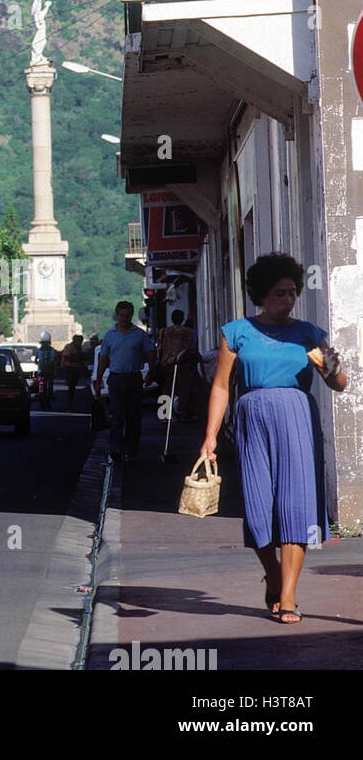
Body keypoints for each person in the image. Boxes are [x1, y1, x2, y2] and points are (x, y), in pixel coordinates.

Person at [201, 253, 347, 625]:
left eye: (293, 292)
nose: (288, 300)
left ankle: (288, 595)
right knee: (257, 508)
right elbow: (221, 387)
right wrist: (210, 437)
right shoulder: (236, 332)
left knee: (295, 507)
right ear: (262, 295)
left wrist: (331, 367)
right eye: (280, 293)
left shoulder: (310, 333)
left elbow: (339, 384)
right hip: (252, 420)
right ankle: (273, 573)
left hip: (297, 419)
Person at [93, 301, 157, 463]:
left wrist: (151, 372)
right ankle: (115, 449)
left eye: (127, 315)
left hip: (134, 379)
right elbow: (103, 359)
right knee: (117, 415)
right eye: (122, 315)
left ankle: (130, 450)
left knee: (133, 416)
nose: (124, 319)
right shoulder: (109, 335)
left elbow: (150, 353)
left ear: (131, 315)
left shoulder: (140, 335)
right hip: (116, 379)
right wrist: (98, 380)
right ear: (117, 316)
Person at [156, 309, 194, 410]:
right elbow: (189, 346)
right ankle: (181, 411)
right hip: (182, 362)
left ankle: (165, 413)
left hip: (166, 363)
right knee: (183, 389)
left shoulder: (164, 331)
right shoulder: (187, 331)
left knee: (166, 389)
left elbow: (159, 348)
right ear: (182, 319)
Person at [60, 335, 84, 410]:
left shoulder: (78, 347)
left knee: (72, 387)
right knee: (71, 387)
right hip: (69, 368)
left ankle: (70, 402)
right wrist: (75, 358)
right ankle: (69, 404)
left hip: (75, 368)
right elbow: (66, 356)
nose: (80, 343)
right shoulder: (69, 347)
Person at [36, 332, 58, 410]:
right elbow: (53, 360)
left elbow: (36, 360)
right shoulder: (51, 350)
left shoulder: (39, 350)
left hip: (41, 371)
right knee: (50, 385)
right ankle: (50, 396)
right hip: (50, 371)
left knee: (42, 385)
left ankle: (41, 396)